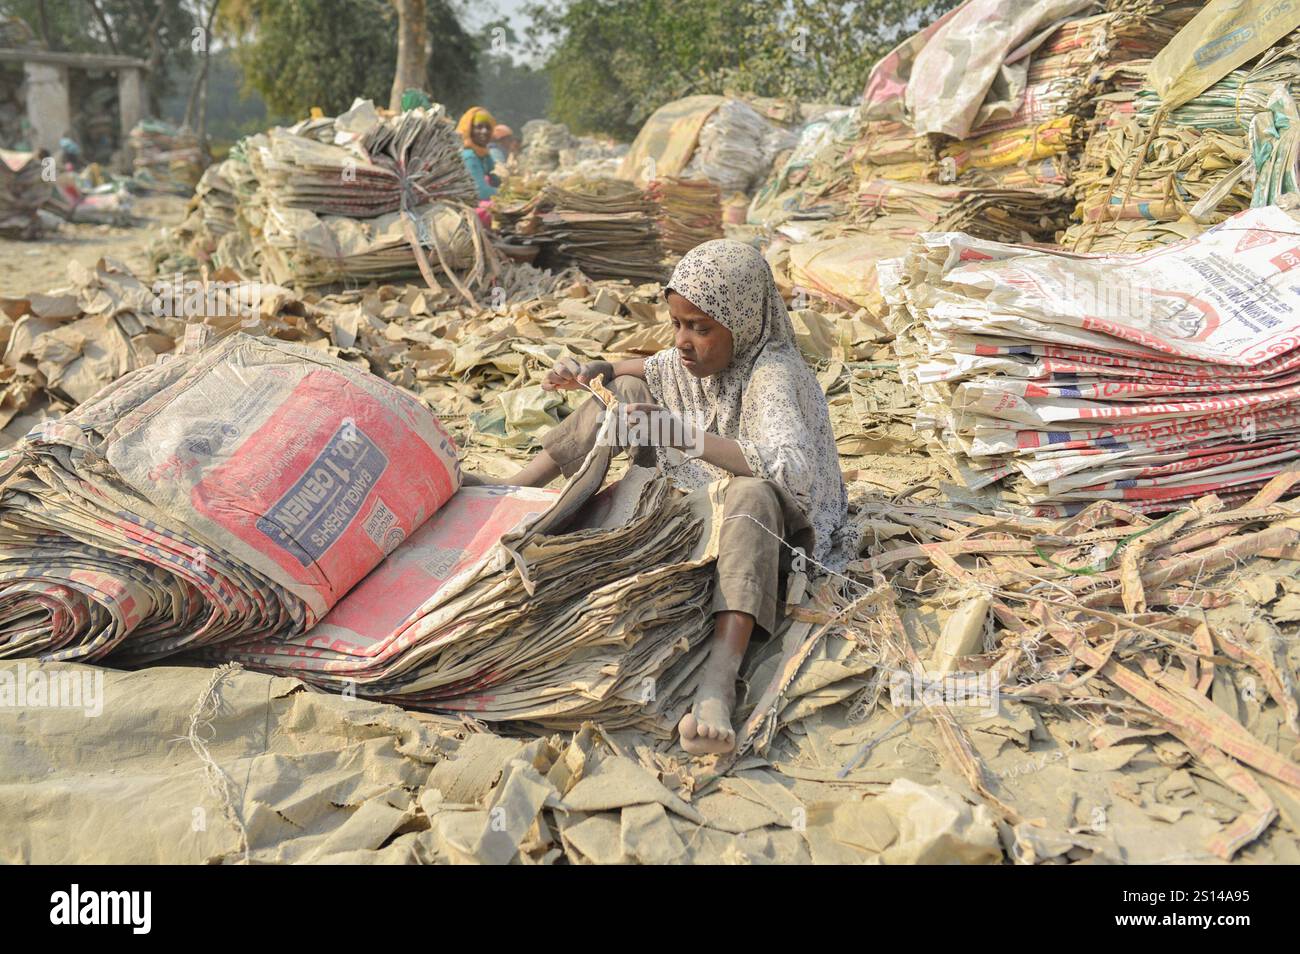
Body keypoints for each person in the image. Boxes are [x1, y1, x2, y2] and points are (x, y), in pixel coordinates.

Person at [487, 239, 847, 755]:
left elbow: (791, 472)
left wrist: (685, 436)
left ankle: (720, 676)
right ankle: (523, 484)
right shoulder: (691, 357)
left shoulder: (773, 374)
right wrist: (598, 369)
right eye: (677, 323)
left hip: (768, 532)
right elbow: (651, 369)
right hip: (699, 494)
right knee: (625, 399)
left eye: (701, 328)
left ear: (742, 323)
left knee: (752, 494)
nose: (683, 340)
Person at [457, 107, 500, 201]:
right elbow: (481, 192)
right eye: (479, 127)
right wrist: (506, 193)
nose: (484, 131)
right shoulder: (469, 156)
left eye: (488, 128)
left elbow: (495, 179)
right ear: (469, 130)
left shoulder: (484, 154)